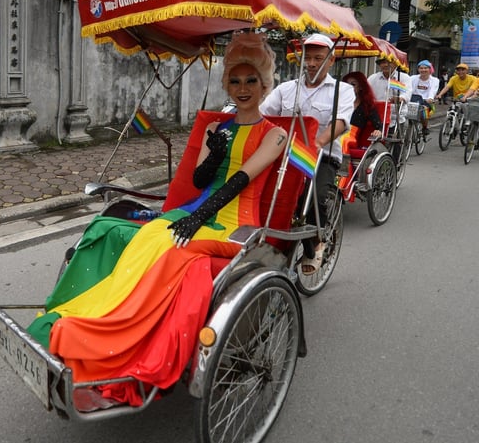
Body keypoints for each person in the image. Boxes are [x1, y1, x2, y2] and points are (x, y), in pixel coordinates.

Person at [25, 31, 287, 408]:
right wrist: (214, 154)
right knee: (130, 234)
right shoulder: (217, 128)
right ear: (226, 83)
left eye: (251, 81)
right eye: (235, 80)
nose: (242, 88)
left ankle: (119, 342)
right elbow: (200, 181)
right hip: (193, 211)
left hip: (235, 225)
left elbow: (241, 180)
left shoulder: (274, 134)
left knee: (169, 250)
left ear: (264, 86)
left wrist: (196, 220)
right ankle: (90, 316)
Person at [261, 32, 354, 274]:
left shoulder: (342, 90)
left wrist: (318, 142)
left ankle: (318, 240)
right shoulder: (286, 89)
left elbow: (342, 121)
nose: (312, 63)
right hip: (284, 155)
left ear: (331, 60)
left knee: (313, 197)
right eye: (308, 57)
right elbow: (263, 114)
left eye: (318, 58)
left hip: (323, 156)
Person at [342, 71, 383, 145]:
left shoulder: (367, 105)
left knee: (341, 141)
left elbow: (379, 126)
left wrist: (378, 131)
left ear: (360, 87)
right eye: (346, 84)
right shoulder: (339, 102)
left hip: (350, 137)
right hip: (336, 132)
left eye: (353, 84)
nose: (349, 87)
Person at [410, 60, 439, 137]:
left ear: (430, 69)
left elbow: (433, 90)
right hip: (413, 100)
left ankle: (424, 127)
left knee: (424, 113)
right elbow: (408, 88)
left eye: (425, 68)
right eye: (421, 68)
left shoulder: (434, 80)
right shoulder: (413, 78)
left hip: (426, 102)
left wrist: (430, 98)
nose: (423, 70)